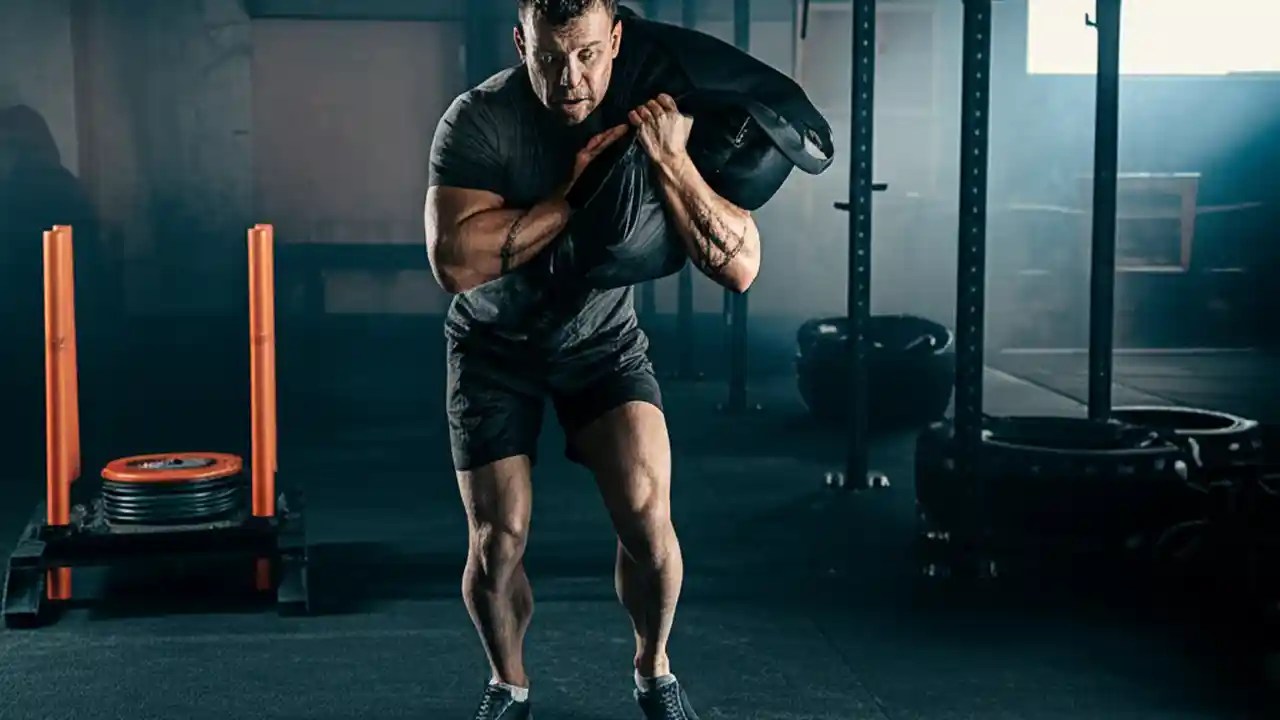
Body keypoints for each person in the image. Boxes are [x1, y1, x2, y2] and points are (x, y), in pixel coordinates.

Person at [423, 1, 761, 718]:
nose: (569, 78)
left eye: (585, 55)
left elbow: (741, 268)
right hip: (491, 344)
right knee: (497, 540)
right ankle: (508, 685)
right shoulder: (480, 117)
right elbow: (455, 263)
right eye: (548, 57)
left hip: (601, 341)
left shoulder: (658, 113)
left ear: (615, 40)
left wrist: (669, 157)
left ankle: (654, 670)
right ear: (522, 43)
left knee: (647, 515)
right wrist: (573, 197)